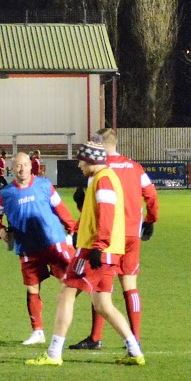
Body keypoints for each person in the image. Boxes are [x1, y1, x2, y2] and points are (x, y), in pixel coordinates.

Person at [26, 142, 144, 367]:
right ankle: (135, 351)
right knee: (103, 304)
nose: (79, 165)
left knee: (66, 294)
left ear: (91, 160)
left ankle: (53, 353)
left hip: (94, 251)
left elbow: (107, 215)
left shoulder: (103, 180)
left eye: (82, 160)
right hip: (108, 251)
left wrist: (99, 246)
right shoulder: (104, 178)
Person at [73, 126, 159, 351]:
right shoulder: (134, 166)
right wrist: (150, 220)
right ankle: (135, 337)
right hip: (132, 234)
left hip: (109, 235)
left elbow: (94, 208)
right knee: (130, 285)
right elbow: (151, 194)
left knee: (99, 285)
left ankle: (96, 337)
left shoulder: (99, 170)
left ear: (99, 144)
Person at [0, 151, 77, 344]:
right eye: (18, 166)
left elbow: (60, 208)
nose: (22, 169)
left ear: (31, 166)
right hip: (27, 247)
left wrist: (72, 229)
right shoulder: (6, 194)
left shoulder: (44, 185)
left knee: (72, 283)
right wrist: (0, 231)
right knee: (32, 288)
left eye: (25, 165)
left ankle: (95, 322)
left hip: (53, 243)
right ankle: (38, 331)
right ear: (11, 168)